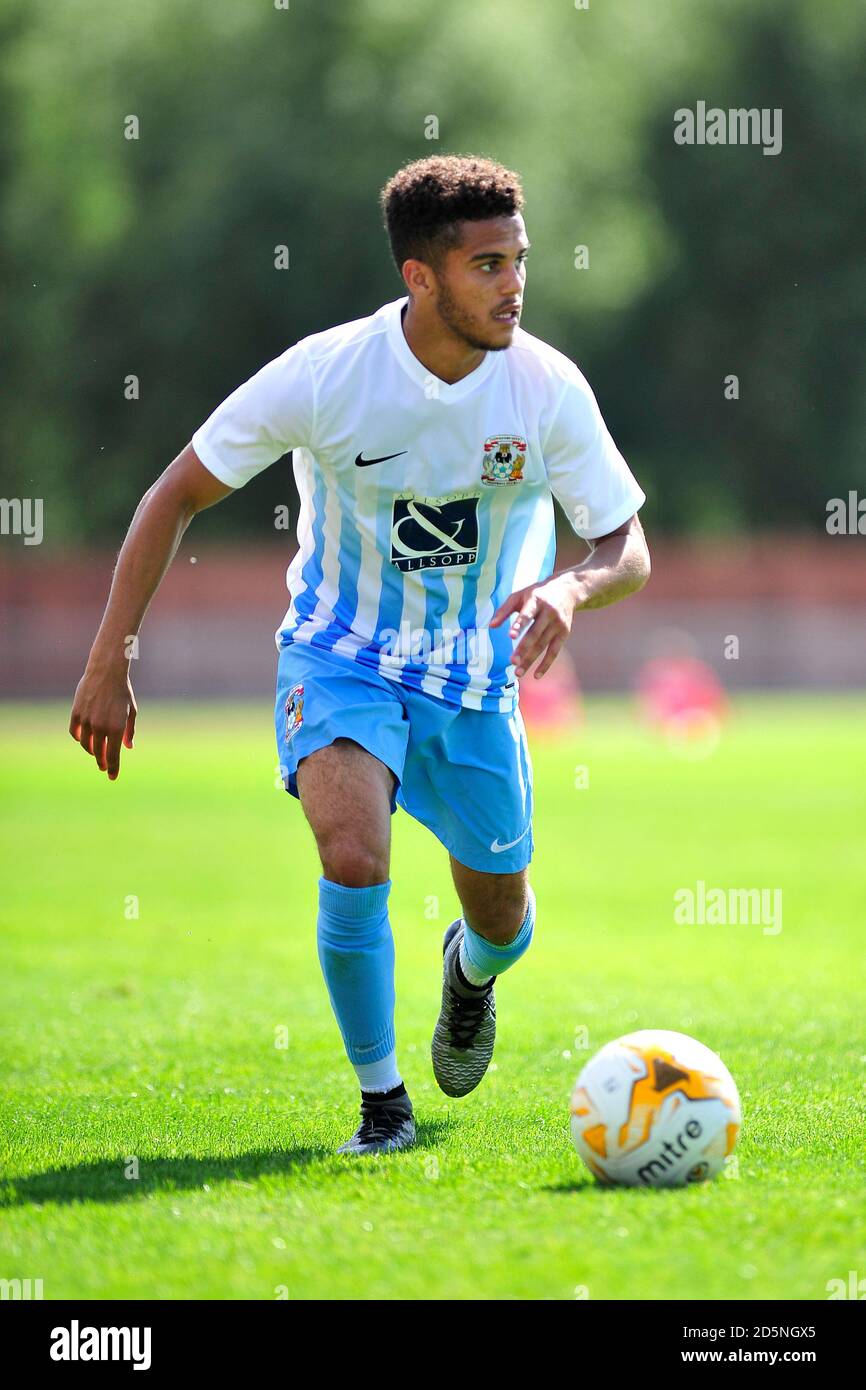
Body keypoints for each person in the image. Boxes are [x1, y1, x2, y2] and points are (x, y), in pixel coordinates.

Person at [69, 154, 650, 1155]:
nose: (512, 284)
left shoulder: (546, 387)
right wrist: (107, 657)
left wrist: (568, 585)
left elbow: (625, 546)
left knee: (506, 923)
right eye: (485, 265)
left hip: (472, 672)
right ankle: (383, 1108)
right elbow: (175, 494)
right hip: (339, 654)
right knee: (351, 852)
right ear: (419, 278)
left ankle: (466, 974)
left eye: (518, 261)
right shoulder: (327, 374)